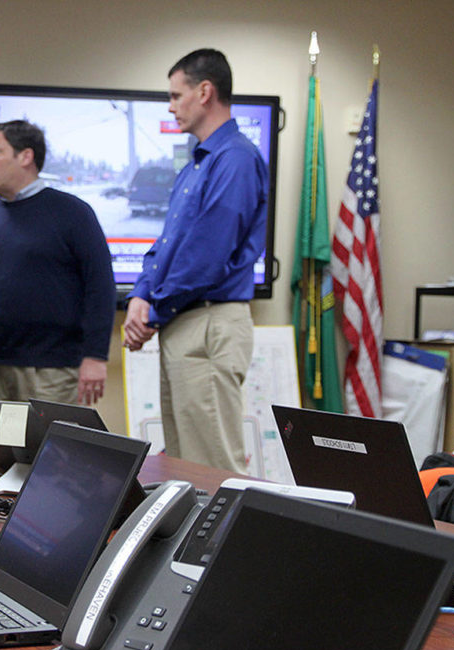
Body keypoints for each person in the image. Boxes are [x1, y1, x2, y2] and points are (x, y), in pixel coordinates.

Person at [123, 48, 268, 474]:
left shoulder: (235, 158)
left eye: (175, 94)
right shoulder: (196, 165)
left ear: (205, 92)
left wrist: (154, 311)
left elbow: (207, 254)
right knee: (185, 468)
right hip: (184, 320)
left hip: (208, 322)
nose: (170, 106)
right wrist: (140, 294)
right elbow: (168, 244)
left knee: (212, 472)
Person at [0, 120, 114, 408]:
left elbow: (100, 287)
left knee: (49, 453)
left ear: (25, 157)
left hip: (51, 371)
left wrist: (95, 357)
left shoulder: (73, 214)